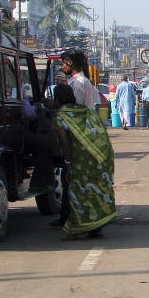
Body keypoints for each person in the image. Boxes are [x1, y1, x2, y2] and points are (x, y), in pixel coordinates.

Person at [50, 84, 117, 238]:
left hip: (82, 160)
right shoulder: (85, 110)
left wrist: (67, 161)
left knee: (80, 191)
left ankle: (80, 226)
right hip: (102, 156)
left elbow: (64, 143)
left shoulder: (60, 116)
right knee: (98, 190)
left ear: (57, 99)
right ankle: (97, 227)